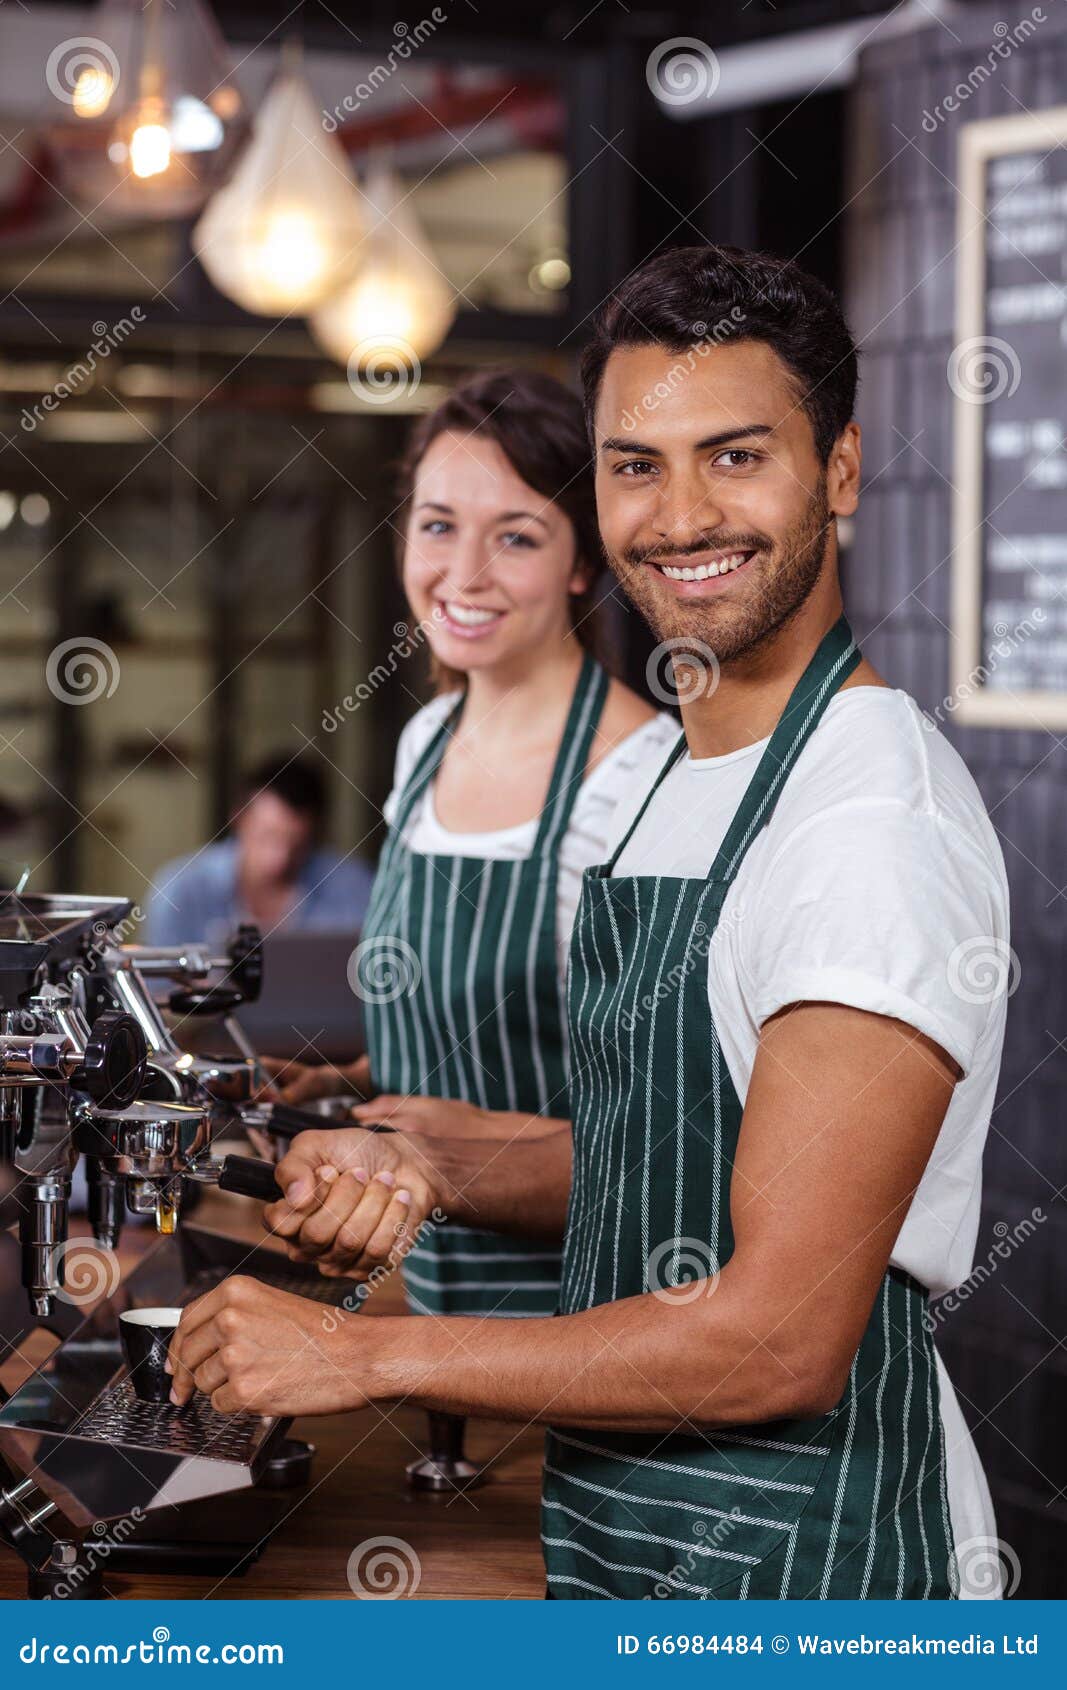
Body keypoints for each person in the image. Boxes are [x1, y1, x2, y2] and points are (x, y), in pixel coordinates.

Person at [168, 246, 1009, 1601]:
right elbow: (674, 1162)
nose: (677, 515)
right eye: (634, 464)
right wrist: (441, 1157)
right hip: (631, 1527)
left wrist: (362, 1355)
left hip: (808, 1569)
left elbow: (775, 1335)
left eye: (734, 456)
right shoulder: (688, 770)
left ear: (839, 472)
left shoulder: (865, 827)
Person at [259, 369, 675, 1484]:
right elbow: (468, 1016)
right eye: (438, 526)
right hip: (407, 1294)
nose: (464, 574)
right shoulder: (426, 738)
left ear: (583, 561)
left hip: (567, 1352)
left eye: (518, 537)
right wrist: (342, 1078)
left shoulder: (635, 778)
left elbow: (664, 1123)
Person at [145, 754, 373, 948]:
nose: (280, 859)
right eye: (267, 837)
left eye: (297, 844)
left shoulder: (353, 888)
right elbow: (159, 992)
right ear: (237, 818)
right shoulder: (181, 889)